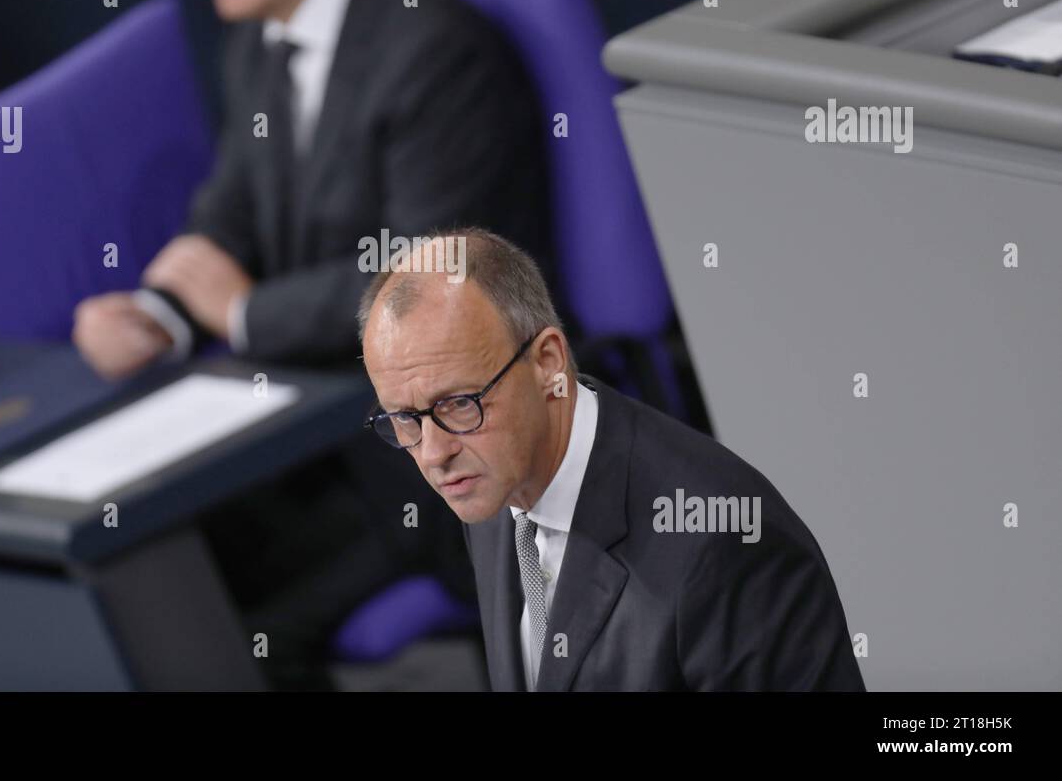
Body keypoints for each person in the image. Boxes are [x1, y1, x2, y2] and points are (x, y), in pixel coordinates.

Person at [72, 0, 552, 688]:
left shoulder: (437, 54)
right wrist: (158, 314)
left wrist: (245, 314)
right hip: (303, 424)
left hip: (421, 446)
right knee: (137, 577)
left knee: (215, 621)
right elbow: (232, 213)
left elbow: (434, 289)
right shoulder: (259, 37)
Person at [358, 228, 865, 690]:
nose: (433, 452)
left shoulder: (722, 543)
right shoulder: (489, 482)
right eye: (403, 417)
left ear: (548, 363)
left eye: (459, 404)